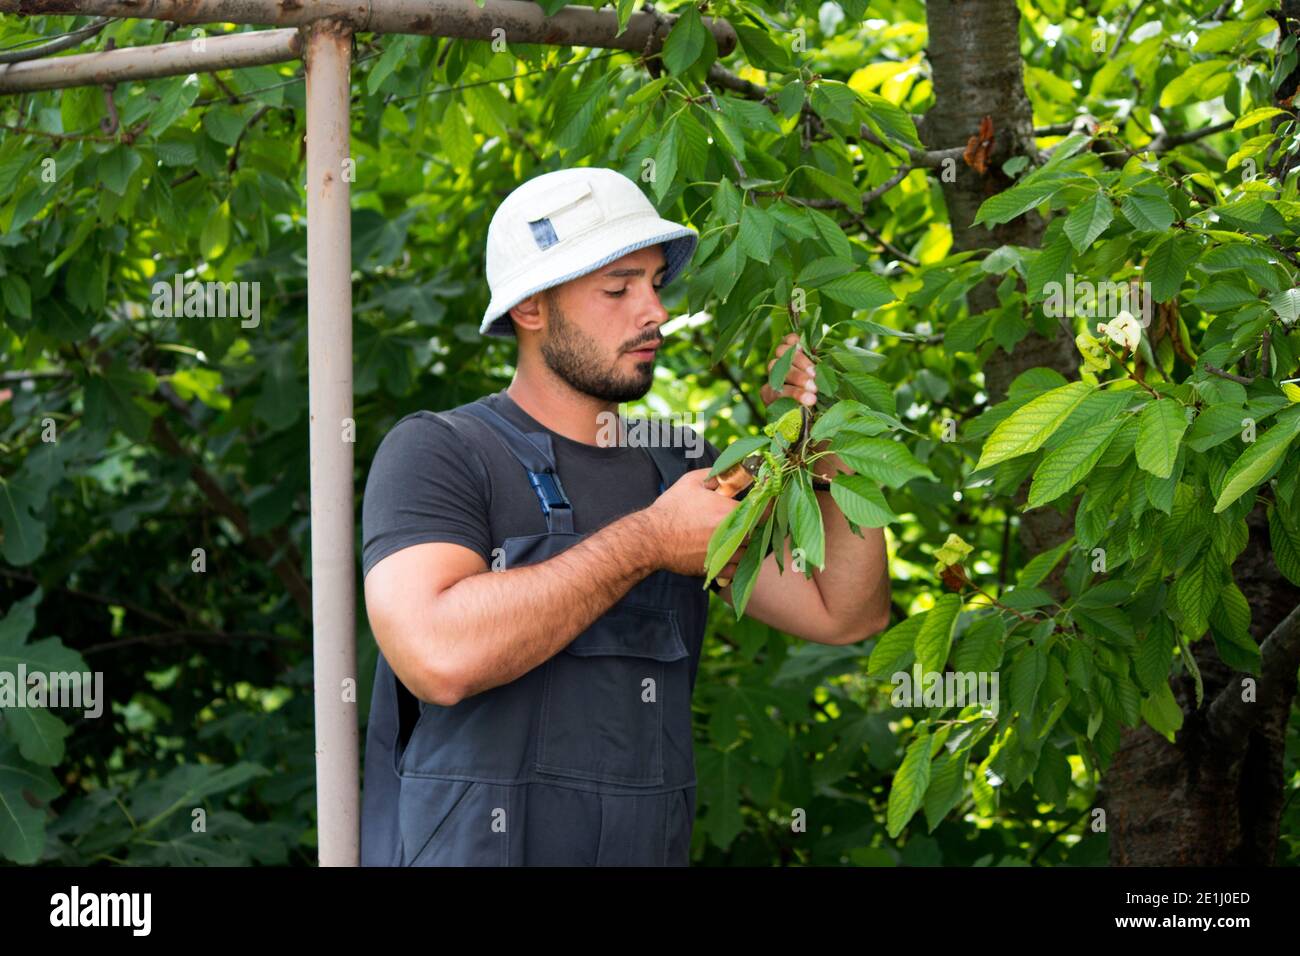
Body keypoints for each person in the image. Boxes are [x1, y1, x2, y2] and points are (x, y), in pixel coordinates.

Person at [359, 166, 891, 866]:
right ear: (531, 308)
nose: (655, 313)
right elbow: (438, 656)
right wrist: (648, 542)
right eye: (618, 289)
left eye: (655, 285)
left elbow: (845, 612)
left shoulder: (683, 467)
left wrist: (821, 439)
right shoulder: (443, 451)